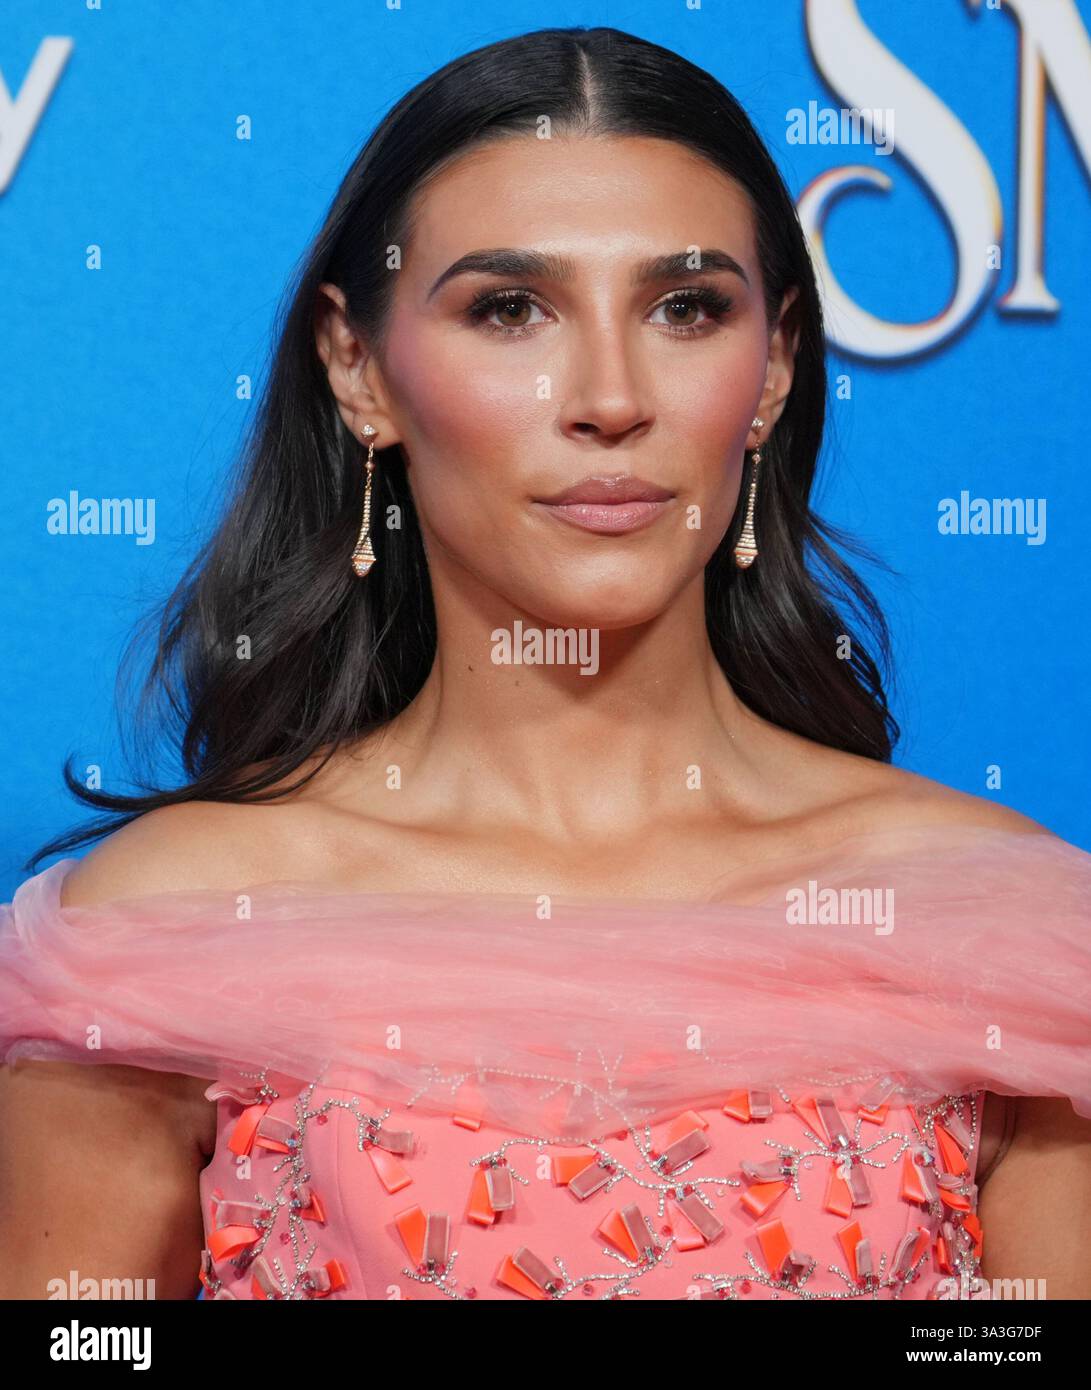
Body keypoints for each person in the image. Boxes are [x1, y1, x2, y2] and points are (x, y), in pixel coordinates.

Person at [1, 26, 1088, 1303]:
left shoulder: (1006, 932)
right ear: (358, 369)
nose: (609, 396)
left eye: (685, 308)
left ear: (774, 366)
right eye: (509, 309)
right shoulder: (160, 939)